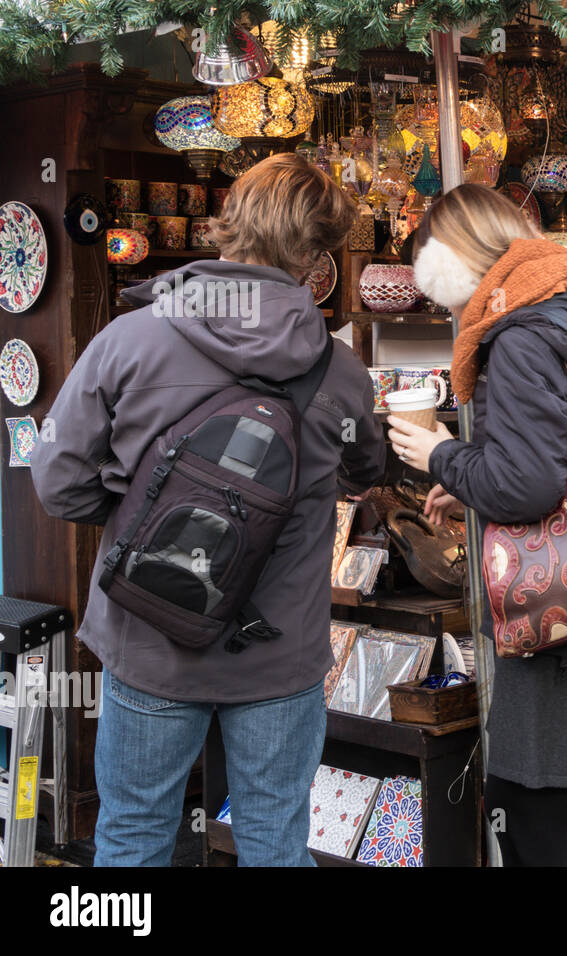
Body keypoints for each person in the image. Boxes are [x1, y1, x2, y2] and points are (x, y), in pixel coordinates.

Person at [30, 154, 386, 866]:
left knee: (131, 837)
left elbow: (58, 484)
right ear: (316, 257)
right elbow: (365, 473)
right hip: (278, 654)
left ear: (229, 225)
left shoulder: (128, 341)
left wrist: (147, 503)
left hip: (151, 639)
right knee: (276, 844)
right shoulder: (341, 373)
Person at [386, 183, 567, 866]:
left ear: (455, 259)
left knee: (531, 817)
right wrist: (467, 479)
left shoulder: (517, 339)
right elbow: (545, 461)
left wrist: (437, 453)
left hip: (556, 615)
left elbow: (528, 486)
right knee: (540, 808)